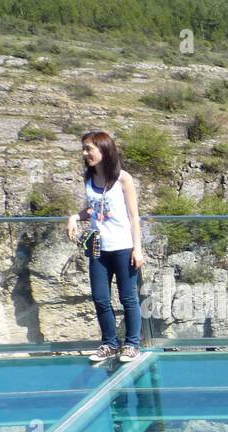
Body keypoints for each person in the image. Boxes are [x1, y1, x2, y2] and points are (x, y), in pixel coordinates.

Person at [65, 131, 145, 364]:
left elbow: (134, 217)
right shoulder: (88, 178)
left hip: (123, 246)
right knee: (100, 298)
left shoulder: (123, 179)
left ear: (104, 150)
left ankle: (131, 344)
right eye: (84, 148)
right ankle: (109, 344)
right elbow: (92, 209)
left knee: (128, 297)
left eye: (89, 148)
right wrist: (74, 216)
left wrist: (137, 249)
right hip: (98, 247)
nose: (85, 153)